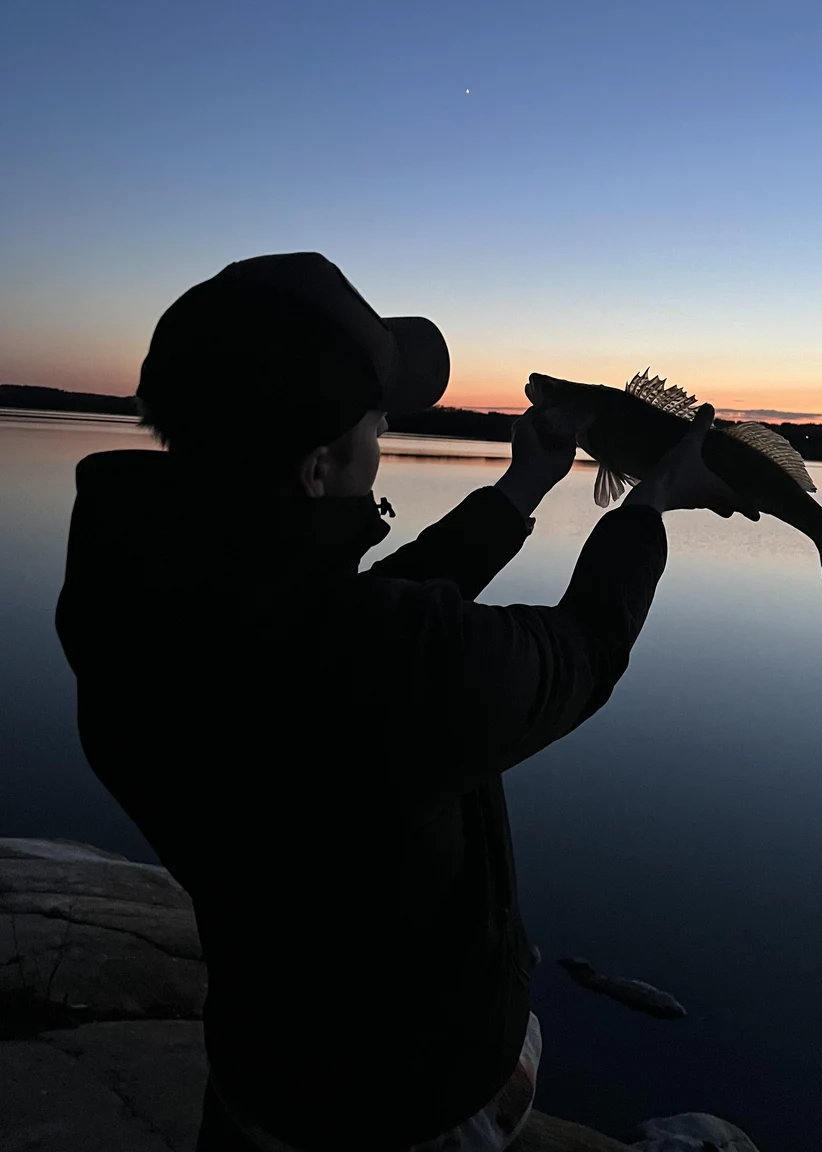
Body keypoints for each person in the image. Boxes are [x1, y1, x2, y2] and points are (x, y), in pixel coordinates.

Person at [54, 252, 741, 1152]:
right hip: (401, 1102)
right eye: (377, 424)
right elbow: (579, 653)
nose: (382, 444)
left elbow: (351, 616)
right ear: (320, 464)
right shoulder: (370, 662)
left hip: (269, 1062)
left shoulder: (149, 599)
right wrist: (649, 508)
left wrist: (521, 489)